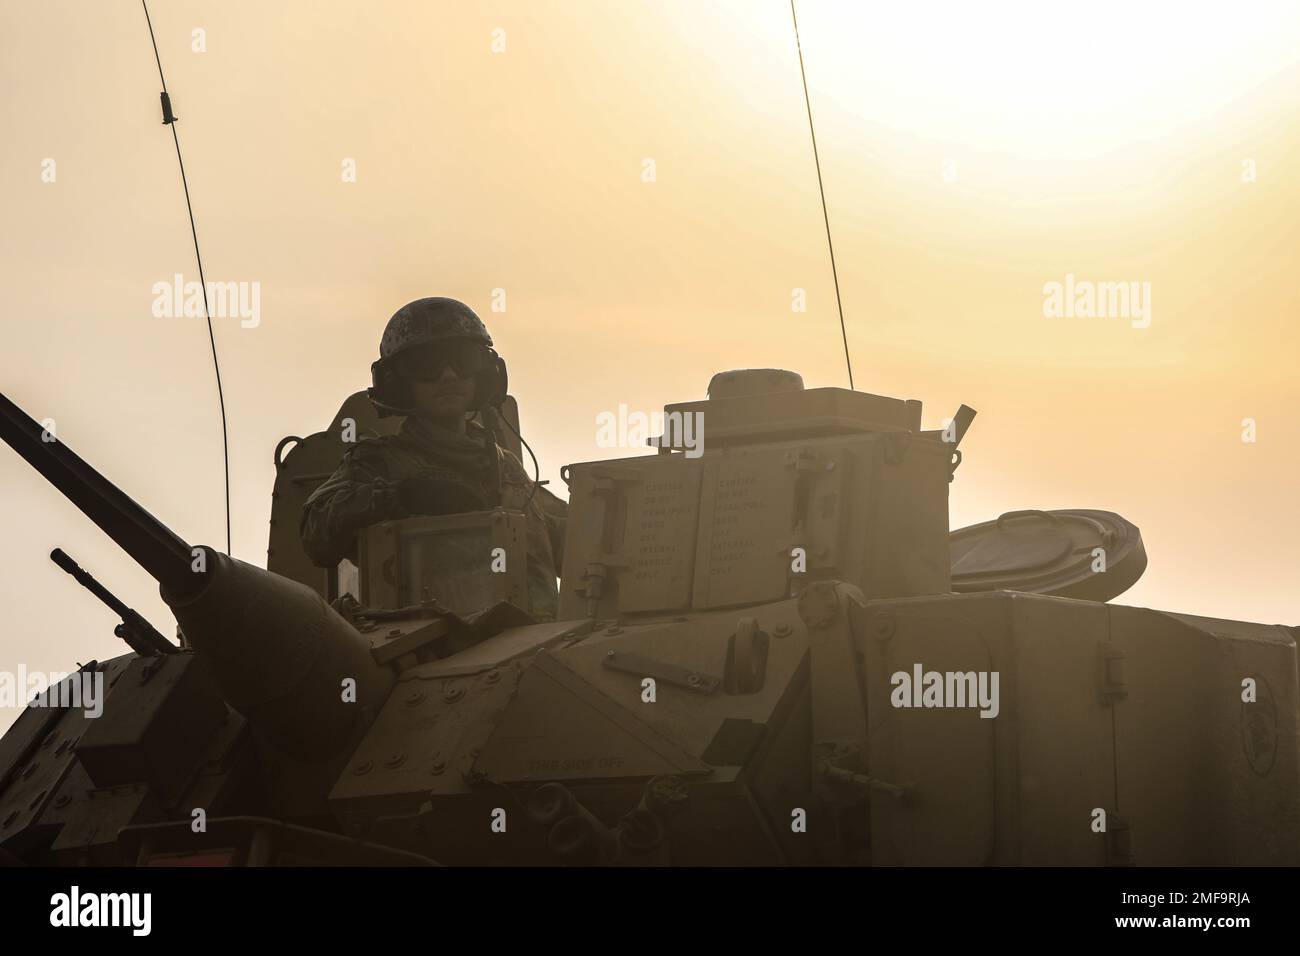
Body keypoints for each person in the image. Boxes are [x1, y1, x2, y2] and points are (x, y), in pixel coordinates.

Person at [300, 297, 566, 619]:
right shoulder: (381, 462)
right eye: (428, 365)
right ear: (398, 382)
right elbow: (315, 531)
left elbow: (578, 540)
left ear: (485, 373)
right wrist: (399, 497)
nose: (449, 376)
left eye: (463, 361)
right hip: (431, 654)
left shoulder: (507, 468)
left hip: (536, 649)